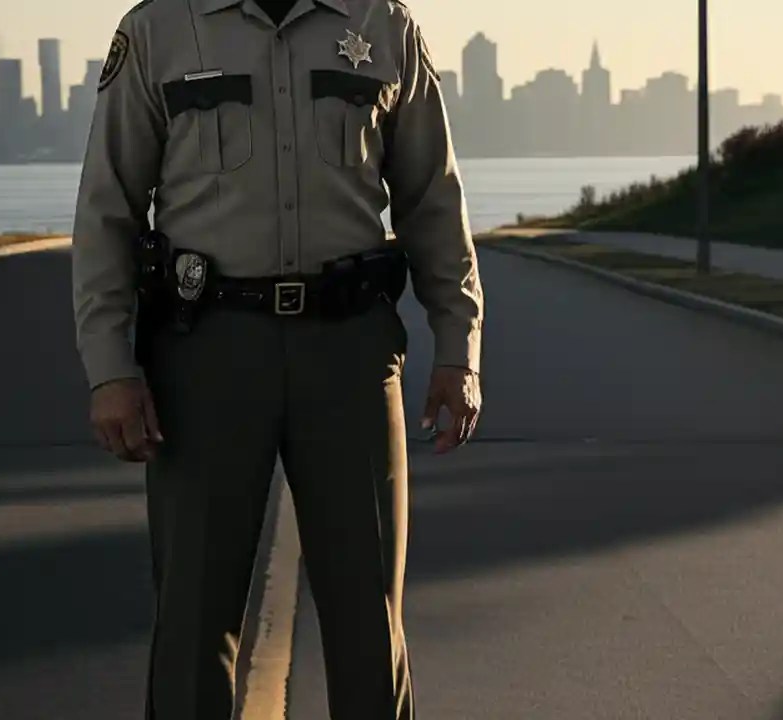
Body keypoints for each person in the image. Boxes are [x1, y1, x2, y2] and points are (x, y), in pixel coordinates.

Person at [71, 0, 484, 717]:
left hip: (350, 354)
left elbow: (432, 201)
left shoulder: (383, 24)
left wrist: (460, 347)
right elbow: (108, 208)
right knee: (193, 622)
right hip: (205, 356)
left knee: (367, 619)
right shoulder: (159, 28)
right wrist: (111, 367)